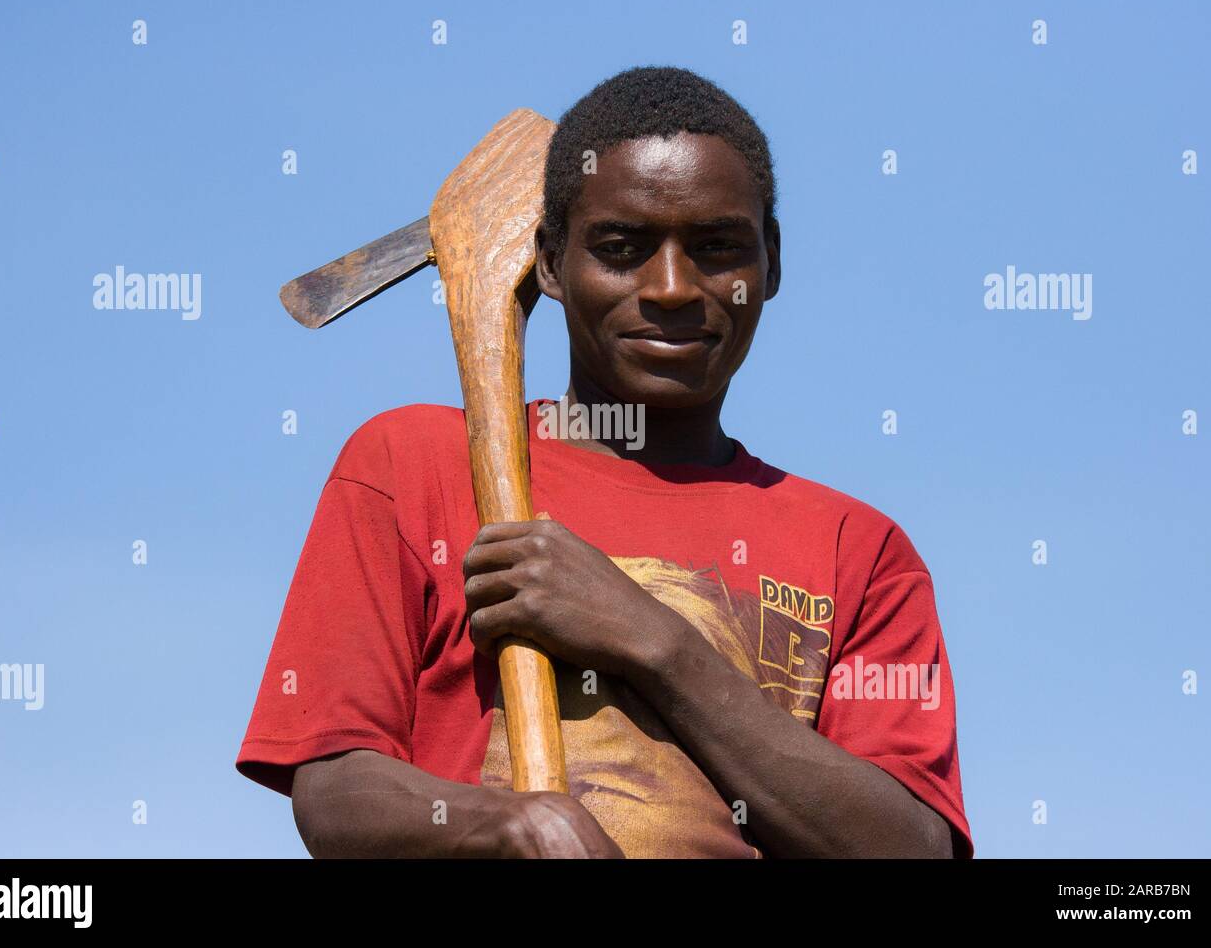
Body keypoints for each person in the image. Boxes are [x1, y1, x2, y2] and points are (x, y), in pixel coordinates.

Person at [235, 65, 973, 858]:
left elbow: (911, 849)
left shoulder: (860, 551)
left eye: (718, 247)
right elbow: (334, 790)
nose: (671, 288)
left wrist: (654, 642)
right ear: (549, 264)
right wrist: (512, 823)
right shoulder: (411, 466)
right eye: (620, 249)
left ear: (771, 264)